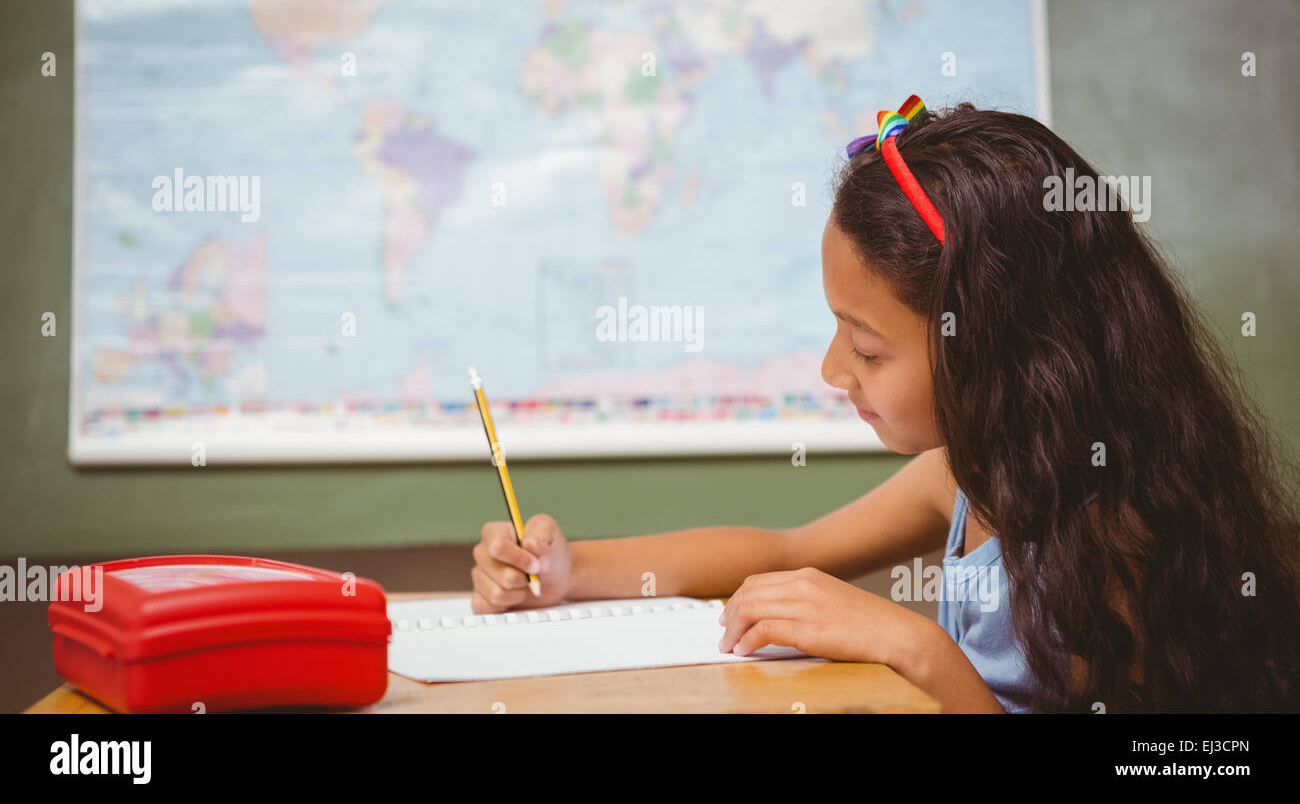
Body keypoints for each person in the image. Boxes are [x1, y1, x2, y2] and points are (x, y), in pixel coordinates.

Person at [470, 98, 1300, 713]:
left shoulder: (1121, 537)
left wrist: (918, 648)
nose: (835, 369)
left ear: (992, 345)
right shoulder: (968, 477)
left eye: (866, 347)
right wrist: (572, 573)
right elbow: (787, 546)